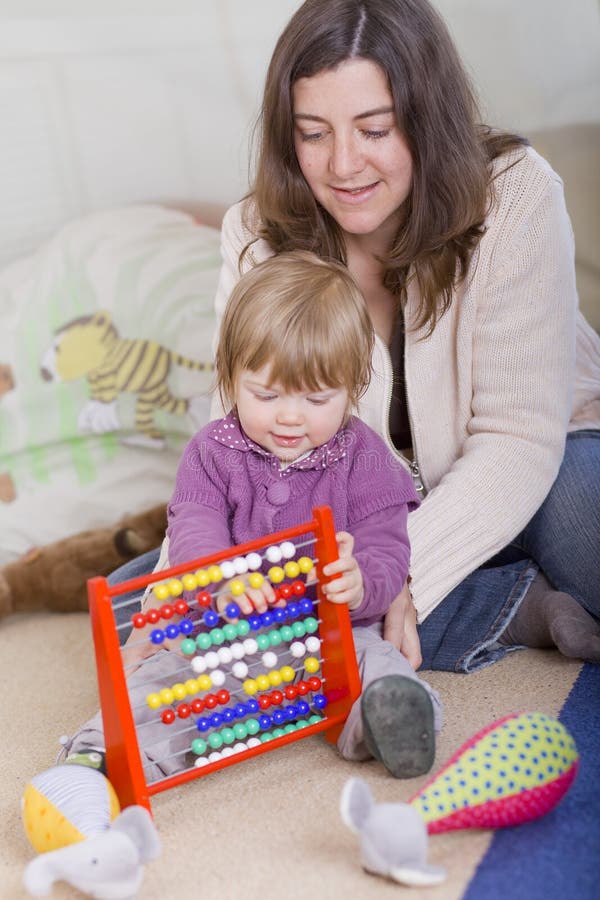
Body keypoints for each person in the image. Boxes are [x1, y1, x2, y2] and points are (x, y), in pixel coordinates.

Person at [109, 0, 600, 672]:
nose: (343, 165)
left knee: (587, 537)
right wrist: (176, 595)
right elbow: (232, 439)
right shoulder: (253, 231)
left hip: (546, 455)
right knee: (138, 604)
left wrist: (405, 572)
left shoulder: (516, 194)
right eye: (313, 134)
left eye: (375, 129)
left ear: (428, 120)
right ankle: (517, 603)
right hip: (345, 505)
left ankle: (479, 590)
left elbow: (517, 439)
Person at [66, 250, 442, 780]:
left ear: (354, 387)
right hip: (227, 638)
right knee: (164, 678)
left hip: (332, 636)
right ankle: (98, 755)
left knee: (380, 665)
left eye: (317, 399)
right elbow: (194, 528)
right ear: (230, 377)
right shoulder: (210, 453)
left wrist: (360, 584)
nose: (289, 417)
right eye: (266, 394)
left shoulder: (368, 460)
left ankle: (391, 722)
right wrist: (223, 581)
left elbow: (387, 550)